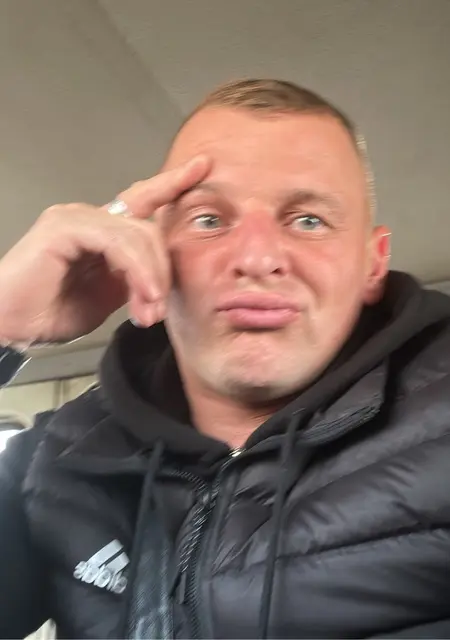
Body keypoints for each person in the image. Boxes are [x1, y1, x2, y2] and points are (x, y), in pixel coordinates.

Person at [0, 78, 449, 640]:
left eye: (308, 220)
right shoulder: (55, 459)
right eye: (209, 220)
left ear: (373, 264)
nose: (256, 258)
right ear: (149, 249)